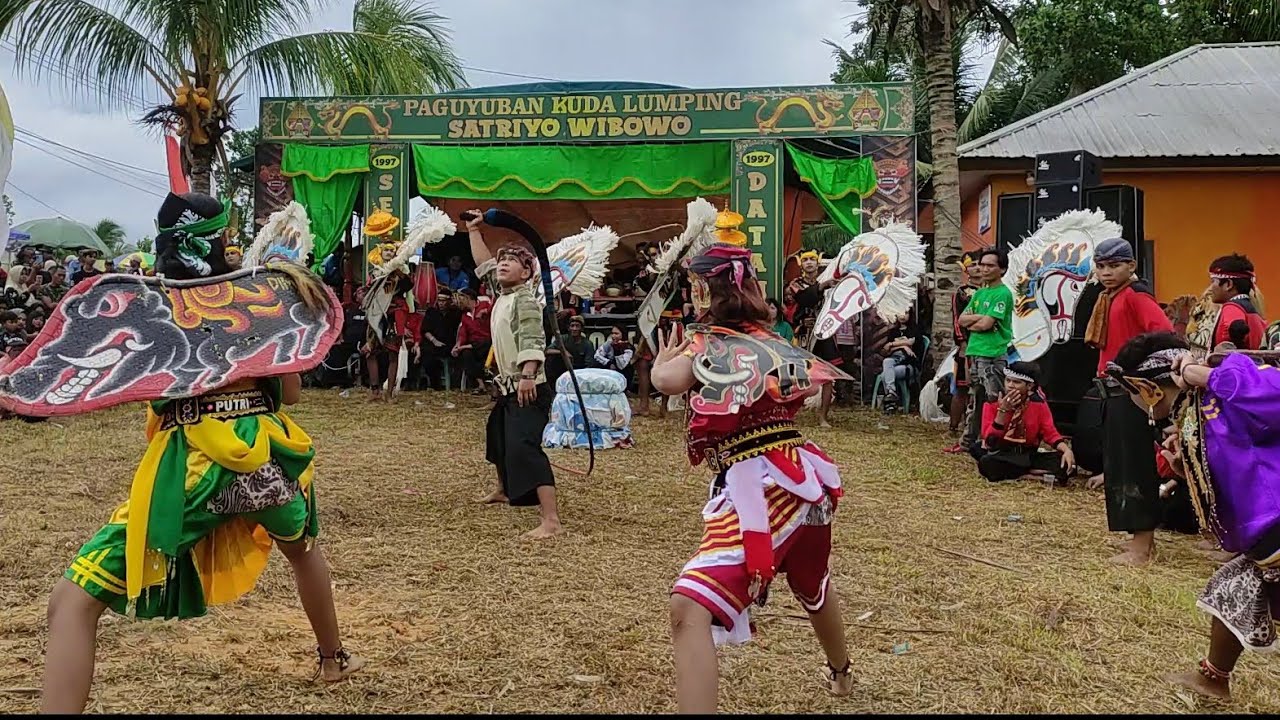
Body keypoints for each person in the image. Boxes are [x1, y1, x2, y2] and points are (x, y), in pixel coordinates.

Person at [36, 191, 362, 714]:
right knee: (301, 549)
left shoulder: (152, 304)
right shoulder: (259, 297)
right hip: (266, 459)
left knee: (72, 602)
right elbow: (292, 392)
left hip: (195, 469)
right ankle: (333, 657)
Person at [650, 243, 853, 713]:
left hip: (764, 482)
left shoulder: (707, 343)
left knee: (689, 605)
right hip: (804, 477)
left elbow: (669, 381)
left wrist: (662, 363)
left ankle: (841, 672)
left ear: (703, 291)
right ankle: (842, 673)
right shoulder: (775, 340)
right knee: (813, 584)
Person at [1106, 332, 1280, 700]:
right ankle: (1213, 679)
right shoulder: (1193, 414)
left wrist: (1208, 375)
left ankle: (1213, 680)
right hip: (1265, 529)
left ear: (1147, 388)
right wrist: (1186, 468)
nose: (1133, 403)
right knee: (1231, 589)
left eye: (1131, 393)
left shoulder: (1227, 374)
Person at [464, 209, 562, 540]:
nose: (502, 263)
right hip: (509, 387)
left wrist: (528, 375)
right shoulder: (503, 295)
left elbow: (534, 338)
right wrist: (474, 230)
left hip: (528, 386)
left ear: (526, 272)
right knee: (498, 437)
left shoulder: (525, 301)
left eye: (511, 261)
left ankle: (551, 520)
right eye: (501, 259)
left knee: (524, 446)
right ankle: (504, 490)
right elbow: (483, 264)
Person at [1083, 237, 1176, 566]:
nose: (1106, 272)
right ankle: (1136, 538)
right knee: (1122, 465)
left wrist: (1138, 373)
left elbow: (1164, 336)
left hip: (1132, 393)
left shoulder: (1136, 296)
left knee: (1136, 465)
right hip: (1115, 391)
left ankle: (1143, 546)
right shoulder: (1110, 297)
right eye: (1101, 266)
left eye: (1114, 265)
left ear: (1132, 266)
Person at [974, 361, 1075, 482]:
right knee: (986, 461)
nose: (1010, 385)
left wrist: (1066, 450)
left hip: (1027, 455)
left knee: (1068, 465)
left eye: (1016, 382)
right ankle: (1028, 474)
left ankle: (1021, 472)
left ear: (1029, 386)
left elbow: (1050, 433)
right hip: (1002, 453)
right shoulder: (992, 404)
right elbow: (990, 441)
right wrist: (1002, 412)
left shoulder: (1038, 405)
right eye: (1008, 380)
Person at [360, 210, 420, 403]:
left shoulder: (401, 272)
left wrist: (398, 272)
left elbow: (408, 286)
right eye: (386, 250)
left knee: (393, 352)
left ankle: (390, 392)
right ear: (380, 252)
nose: (388, 253)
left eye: (391, 251)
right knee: (370, 350)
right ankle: (375, 389)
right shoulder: (374, 272)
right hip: (377, 314)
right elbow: (368, 291)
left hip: (395, 314)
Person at [958, 248, 1014, 452]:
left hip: (993, 354)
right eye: (982, 264)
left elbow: (986, 325)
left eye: (990, 265)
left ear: (1002, 269)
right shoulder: (980, 293)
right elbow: (962, 319)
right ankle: (968, 442)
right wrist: (978, 320)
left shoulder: (1003, 294)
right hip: (976, 351)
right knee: (975, 398)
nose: (984, 268)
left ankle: (992, 442)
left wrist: (977, 321)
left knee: (994, 399)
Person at [787, 249, 841, 427]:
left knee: (828, 375)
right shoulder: (796, 284)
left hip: (824, 333)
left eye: (812, 259)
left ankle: (823, 416)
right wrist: (823, 286)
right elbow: (804, 299)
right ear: (801, 264)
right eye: (805, 260)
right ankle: (791, 413)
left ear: (817, 263)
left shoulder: (827, 283)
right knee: (797, 375)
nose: (809, 263)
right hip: (804, 333)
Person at [945, 252, 981, 452]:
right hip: (968, 344)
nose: (977, 268)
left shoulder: (990, 291)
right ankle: (953, 426)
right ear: (966, 269)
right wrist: (962, 342)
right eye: (973, 264)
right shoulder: (962, 293)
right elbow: (958, 319)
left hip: (985, 343)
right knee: (961, 387)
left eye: (980, 264)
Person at [1207, 254, 1266, 350]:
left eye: (1213, 281)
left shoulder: (1232, 308)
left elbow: (1227, 350)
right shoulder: (1250, 308)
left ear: (1228, 284)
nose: (1210, 288)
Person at [878, 311, 924, 412]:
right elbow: (885, 349)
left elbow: (911, 342)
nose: (903, 316)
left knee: (885, 375)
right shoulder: (893, 331)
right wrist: (903, 346)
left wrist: (893, 344)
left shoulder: (914, 330)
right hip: (894, 360)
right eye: (900, 313)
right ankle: (892, 394)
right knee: (887, 361)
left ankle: (890, 401)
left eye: (906, 313)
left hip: (909, 364)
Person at [418, 290, 461, 391]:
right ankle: (434, 383)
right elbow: (425, 330)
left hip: (448, 343)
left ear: (449, 301)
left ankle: (455, 384)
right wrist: (434, 340)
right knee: (427, 355)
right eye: (439, 300)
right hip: (432, 342)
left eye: (444, 301)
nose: (441, 303)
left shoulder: (455, 314)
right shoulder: (431, 312)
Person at [452, 288, 493, 394]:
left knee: (485, 343)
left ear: (468, 298)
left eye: (461, 298)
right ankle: (481, 385)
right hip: (474, 344)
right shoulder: (465, 316)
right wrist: (458, 345)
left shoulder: (485, 304)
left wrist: (486, 311)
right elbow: (462, 333)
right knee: (466, 354)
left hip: (488, 341)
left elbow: (494, 306)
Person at [546, 316, 594, 385]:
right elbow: (547, 351)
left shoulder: (587, 344)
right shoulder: (563, 338)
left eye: (577, 326)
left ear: (582, 329)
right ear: (569, 328)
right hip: (562, 371)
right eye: (572, 326)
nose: (574, 329)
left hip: (579, 372)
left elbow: (589, 366)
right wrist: (563, 352)